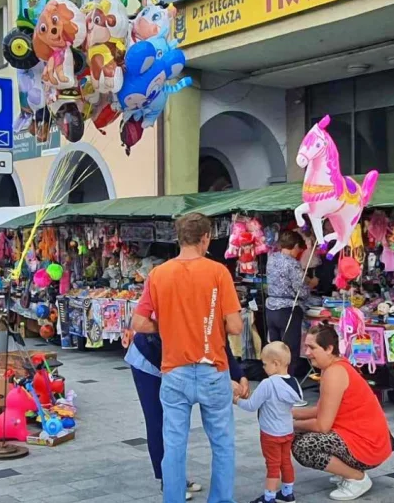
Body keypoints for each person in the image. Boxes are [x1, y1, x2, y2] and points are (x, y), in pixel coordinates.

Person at [132, 212, 243, 503]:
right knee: (222, 443)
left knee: (174, 444)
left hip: (175, 371)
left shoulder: (158, 274)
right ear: (206, 238)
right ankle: (220, 499)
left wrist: (166, 325)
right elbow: (235, 326)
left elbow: (139, 323)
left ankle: (173, 498)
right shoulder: (218, 272)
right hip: (212, 369)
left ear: (178, 238)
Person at [127, 332, 249, 501]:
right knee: (158, 421)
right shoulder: (171, 308)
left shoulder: (211, 307)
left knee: (180, 433)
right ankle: (169, 483)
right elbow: (146, 326)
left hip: (182, 364)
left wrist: (237, 374)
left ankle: (176, 483)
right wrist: (218, 377)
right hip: (153, 358)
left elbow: (219, 337)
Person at [291, 324, 394, 501]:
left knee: (303, 446)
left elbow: (323, 426)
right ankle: (347, 472)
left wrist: (288, 424)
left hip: (367, 445)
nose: (307, 352)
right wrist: (291, 413)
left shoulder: (334, 373)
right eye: (306, 346)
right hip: (365, 438)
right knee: (299, 436)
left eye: (312, 347)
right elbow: (322, 410)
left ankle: (357, 478)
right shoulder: (333, 367)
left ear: (329, 348)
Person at [236, 342, 303, 503]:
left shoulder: (268, 383)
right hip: (287, 431)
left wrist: (236, 400)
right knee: (286, 461)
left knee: (272, 465)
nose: (263, 368)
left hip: (270, 433)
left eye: (265, 364)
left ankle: (269, 497)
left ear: (276, 363)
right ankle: (288, 493)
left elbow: (252, 405)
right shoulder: (294, 383)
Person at [265, 230, 317, 406]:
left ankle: (275, 390)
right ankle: (289, 395)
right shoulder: (292, 264)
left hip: (271, 309)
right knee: (289, 352)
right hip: (288, 309)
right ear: (294, 247)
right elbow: (299, 290)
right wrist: (310, 285)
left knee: (275, 351)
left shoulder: (271, 259)